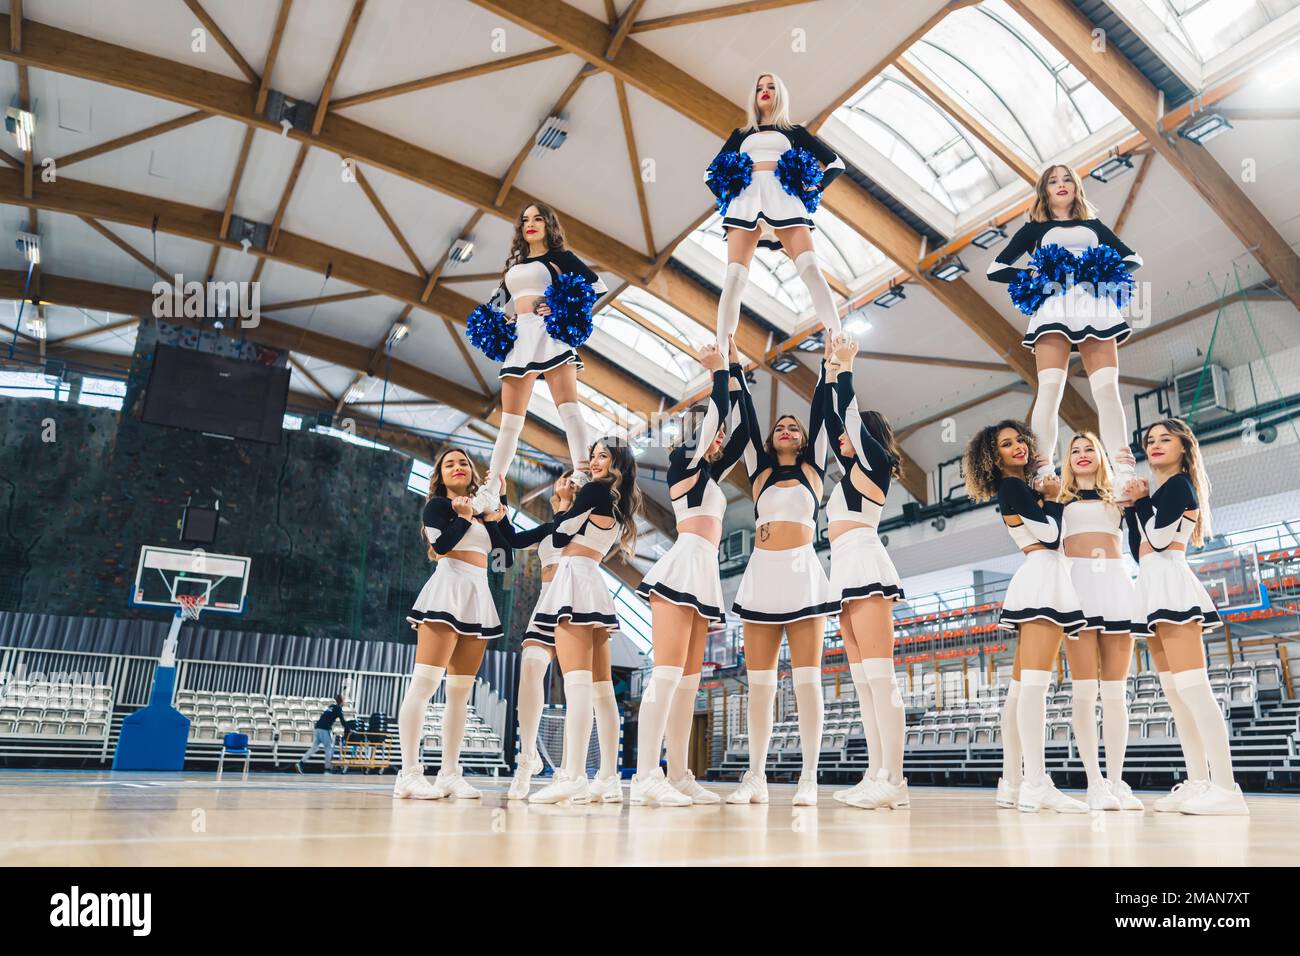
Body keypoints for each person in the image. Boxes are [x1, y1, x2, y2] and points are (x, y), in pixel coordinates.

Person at [631, 337, 749, 807]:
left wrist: (737, 372)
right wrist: (717, 373)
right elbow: (719, 424)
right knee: (665, 674)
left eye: (713, 435)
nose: (716, 438)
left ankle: (679, 774)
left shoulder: (712, 476)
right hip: (681, 567)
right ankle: (645, 776)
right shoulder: (683, 462)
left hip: (704, 575)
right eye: (706, 432)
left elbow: (738, 434)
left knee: (688, 682)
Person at [986, 164, 1143, 492]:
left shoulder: (1093, 225)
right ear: (1044, 190)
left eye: (1067, 179)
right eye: (1053, 181)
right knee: (1050, 391)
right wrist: (1033, 277)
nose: (1061, 185)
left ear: (1076, 187)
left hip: (1093, 305)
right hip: (1053, 306)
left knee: (1107, 390)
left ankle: (1123, 470)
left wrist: (1097, 274)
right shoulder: (1033, 230)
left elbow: (1134, 259)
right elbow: (995, 268)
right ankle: (1043, 470)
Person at [726, 338, 835, 806]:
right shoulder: (758, 473)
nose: (788, 428)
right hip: (762, 575)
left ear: (805, 439)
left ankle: (809, 776)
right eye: (781, 427)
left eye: (794, 426)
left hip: (803, 573)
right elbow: (745, 416)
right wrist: (733, 368)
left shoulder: (814, 469)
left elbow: (825, 411)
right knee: (760, 685)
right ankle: (756, 776)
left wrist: (832, 366)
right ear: (771, 441)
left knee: (808, 681)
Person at [1120, 419, 1246, 815]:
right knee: (1176, 697)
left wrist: (1139, 501)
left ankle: (1227, 789)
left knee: (1195, 691)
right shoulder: (1160, 492)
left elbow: (1157, 541)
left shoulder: (1177, 486)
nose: (1154, 445)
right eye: (1149, 441)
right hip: (1152, 589)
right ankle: (1197, 782)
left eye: (1165, 439)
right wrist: (1135, 506)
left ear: (1184, 447)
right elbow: (1138, 546)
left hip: (1173, 588)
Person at [964, 420, 1087, 813]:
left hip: (1039, 578)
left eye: (1020, 440)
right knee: (1035, 687)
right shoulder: (1013, 487)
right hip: (1042, 580)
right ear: (992, 455)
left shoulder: (1017, 487)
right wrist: (1053, 497)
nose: (1017, 446)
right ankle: (1037, 781)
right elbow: (1050, 536)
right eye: (1005, 443)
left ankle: (1012, 782)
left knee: (1019, 692)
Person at [393, 448, 519, 800]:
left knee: (460, 695)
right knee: (424, 684)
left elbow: (506, 557)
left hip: (477, 596)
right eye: (449, 464)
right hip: (447, 592)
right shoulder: (437, 506)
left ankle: (449, 773)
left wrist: (499, 508)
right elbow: (443, 545)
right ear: (441, 475)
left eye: (463, 461)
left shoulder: (482, 513)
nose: (458, 466)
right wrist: (463, 517)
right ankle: (408, 773)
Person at [469, 203, 607, 514]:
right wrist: (500, 320)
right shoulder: (514, 267)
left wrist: (558, 306)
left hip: (550, 335)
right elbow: (494, 304)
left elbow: (597, 288)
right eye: (525, 219)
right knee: (509, 423)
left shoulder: (561, 258)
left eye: (538, 219)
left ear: (548, 225)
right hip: (520, 340)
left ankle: (583, 472)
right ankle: (491, 489)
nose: (530, 224)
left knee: (568, 408)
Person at [528, 438, 643, 804]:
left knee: (577, 684)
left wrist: (563, 504)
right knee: (601, 689)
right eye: (592, 456)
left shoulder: (593, 491)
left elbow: (561, 535)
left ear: (618, 463)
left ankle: (573, 773)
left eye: (602, 456)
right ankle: (607, 778)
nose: (593, 463)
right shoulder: (617, 501)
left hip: (574, 579)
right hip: (592, 581)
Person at [822, 336, 909, 810]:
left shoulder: (874, 465)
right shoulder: (851, 471)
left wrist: (848, 369)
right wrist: (829, 369)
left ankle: (893, 780)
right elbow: (837, 420)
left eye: (851, 438)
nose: (841, 442)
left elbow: (849, 420)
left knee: (882, 680)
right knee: (862, 685)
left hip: (867, 566)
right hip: (844, 571)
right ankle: (877, 772)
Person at [705, 72, 845, 352]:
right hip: (745, 202)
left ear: (780, 93)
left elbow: (836, 163)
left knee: (810, 268)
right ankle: (724, 351)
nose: (764, 91)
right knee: (734, 276)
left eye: (771, 87)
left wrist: (815, 189)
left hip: (785, 200)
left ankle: (837, 337)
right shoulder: (741, 134)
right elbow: (710, 173)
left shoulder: (794, 132)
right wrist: (729, 193)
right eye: (759, 88)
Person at [1057, 432, 1143, 810]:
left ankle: (1116, 781)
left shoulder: (1119, 500)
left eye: (1089, 448)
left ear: (1100, 455)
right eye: (1075, 450)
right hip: (1078, 590)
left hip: (1116, 589)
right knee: (1083, 692)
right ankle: (1093, 782)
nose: (1082, 454)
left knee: (1115, 694)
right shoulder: (1058, 501)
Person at [295, 694, 351, 774]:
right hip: (324, 729)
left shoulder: (331, 706)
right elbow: (343, 721)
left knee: (314, 748)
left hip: (317, 728)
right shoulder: (338, 709)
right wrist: (349, 729)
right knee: (329, 748)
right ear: (342, 701)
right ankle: (327, 769)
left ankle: (301, 763)